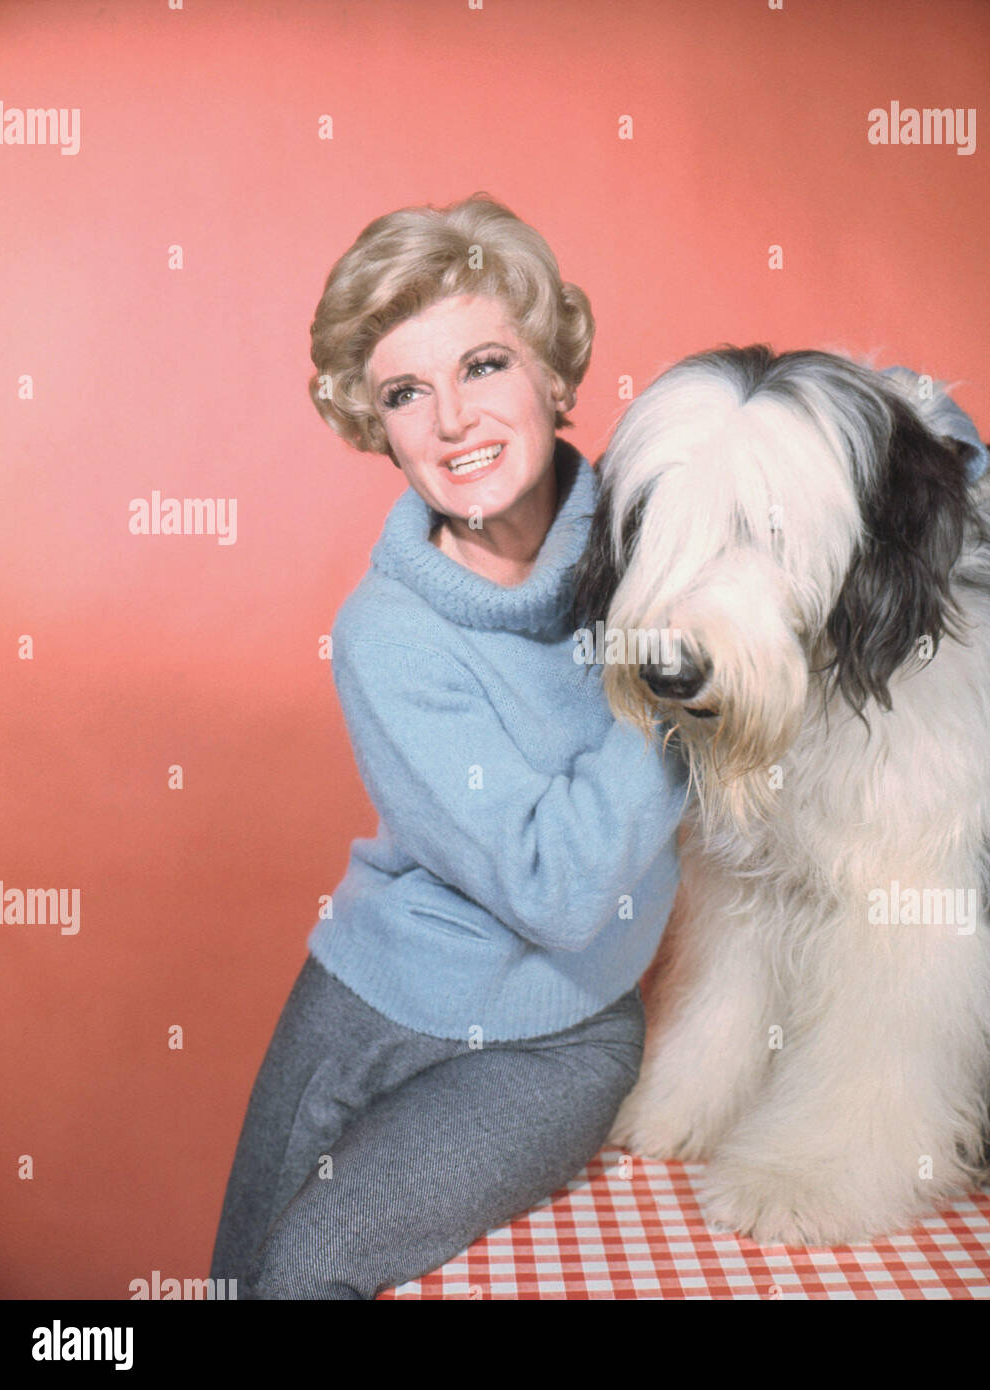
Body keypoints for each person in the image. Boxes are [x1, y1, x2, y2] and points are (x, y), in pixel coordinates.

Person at [209, 193, 689, 1299]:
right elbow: (552, 880)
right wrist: (677, 684)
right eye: (405, 394)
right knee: (243, 1286)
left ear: (554, 376)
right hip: (368, 1001)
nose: (452, 421)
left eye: (482, 366)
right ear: (378, 428)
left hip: (560, 1038)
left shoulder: (661, 535)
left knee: (311, 1265)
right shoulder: (385, 632)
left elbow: (863, 460)